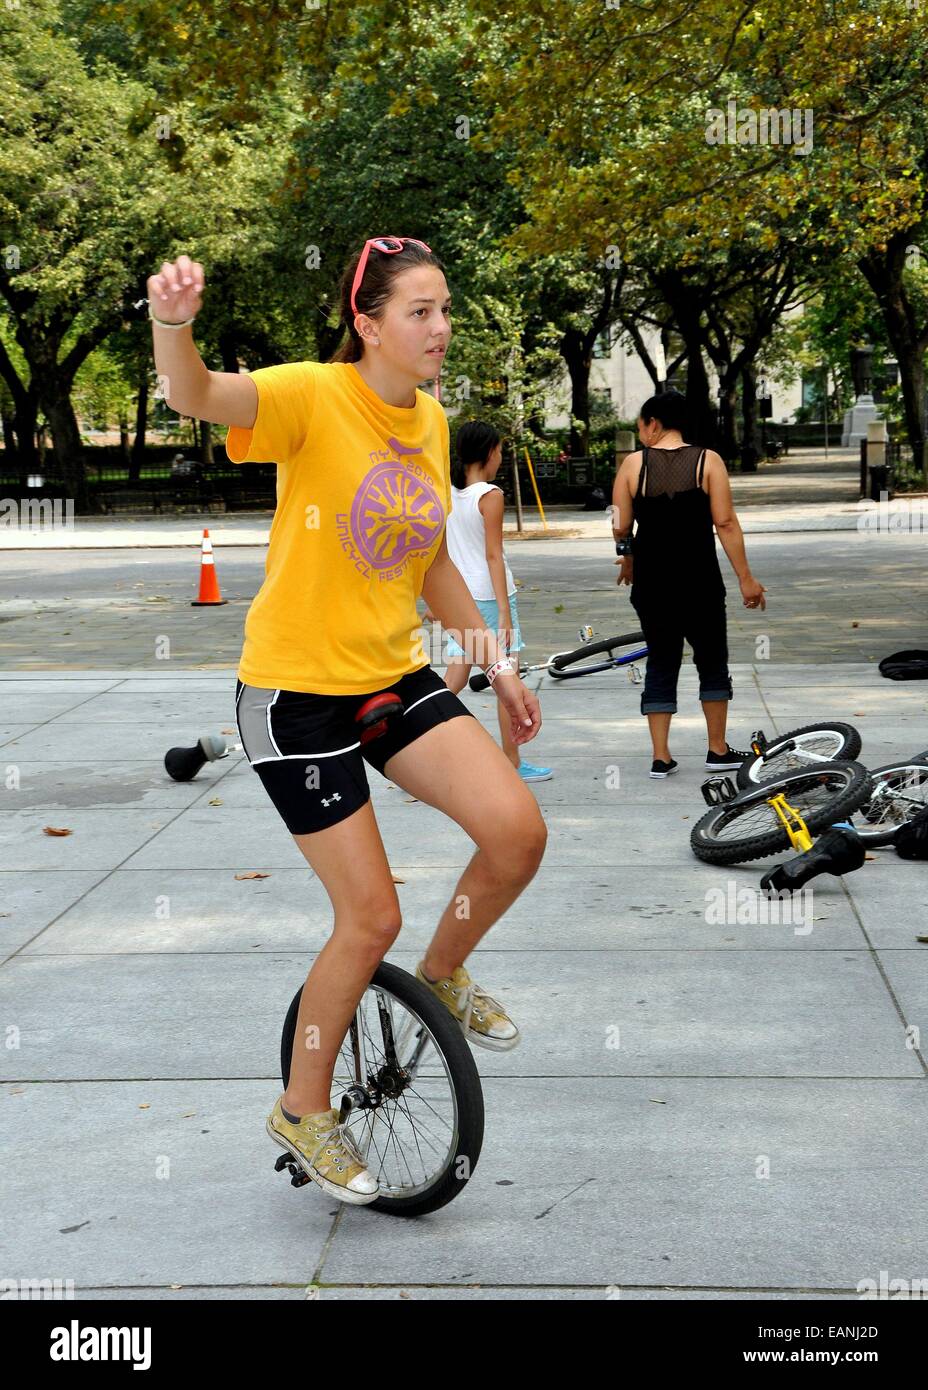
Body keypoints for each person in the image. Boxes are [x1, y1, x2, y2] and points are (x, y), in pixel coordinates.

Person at [148, 242, 547, 1206]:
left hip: (389, 675)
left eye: (444, 307)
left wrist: (494, 662)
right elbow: (196, 394)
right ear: (367, 324)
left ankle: (443, 974)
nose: (440, 326)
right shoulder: (311, 397)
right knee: (369, 915)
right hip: (293, 696)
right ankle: (303, 1105)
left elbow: (429, 563)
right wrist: (174, 322)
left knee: (517, 832)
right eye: (418, 311)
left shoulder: (433, 417)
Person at [611, 390, 767, 778]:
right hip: (700, 581)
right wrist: (746, 578)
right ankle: (717, 750)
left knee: (661, 661)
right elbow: (726, 523)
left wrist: (628, 559)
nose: (641, 432)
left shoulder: (633, 465)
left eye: (641, 425)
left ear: (654, 423)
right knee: (711, 660)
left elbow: (620, 524)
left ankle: (660, 757)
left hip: (652, 583)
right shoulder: (708, 461)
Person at [432, 419, 552, 782]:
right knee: (506, 677)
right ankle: (513, 761)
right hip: (488, 596)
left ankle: (416, 744)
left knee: (452, 679)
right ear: (488, 452)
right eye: (499, 449)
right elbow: (493, 556)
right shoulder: (490, 495)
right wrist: (503, 610)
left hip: (457, 596)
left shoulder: (447, 492)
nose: (501, 456)